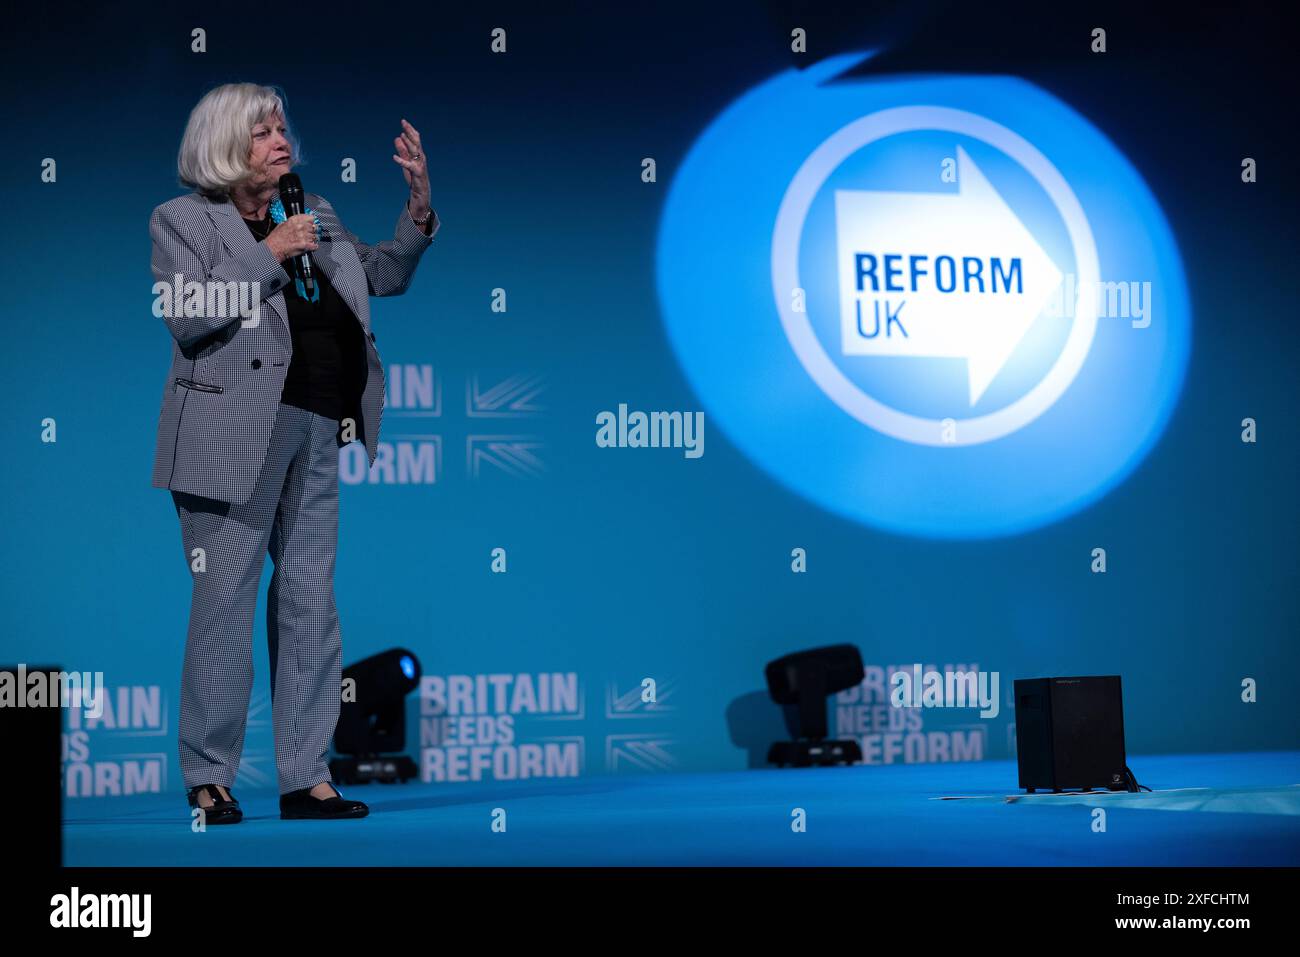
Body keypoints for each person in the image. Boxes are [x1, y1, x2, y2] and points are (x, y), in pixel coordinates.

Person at [149, 82, 439, 822]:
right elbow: (187, 315)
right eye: (263, 131)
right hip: (229, 435)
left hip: (317, 424)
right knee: (226, 604)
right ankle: (209, 776)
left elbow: (382, 276)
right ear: (223, 145)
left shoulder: (312, 211)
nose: (282, 140)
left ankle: (306, 776)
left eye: (282, 128)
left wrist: (416, 215)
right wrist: (271, 252)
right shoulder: (184, 221)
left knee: (311, 602)